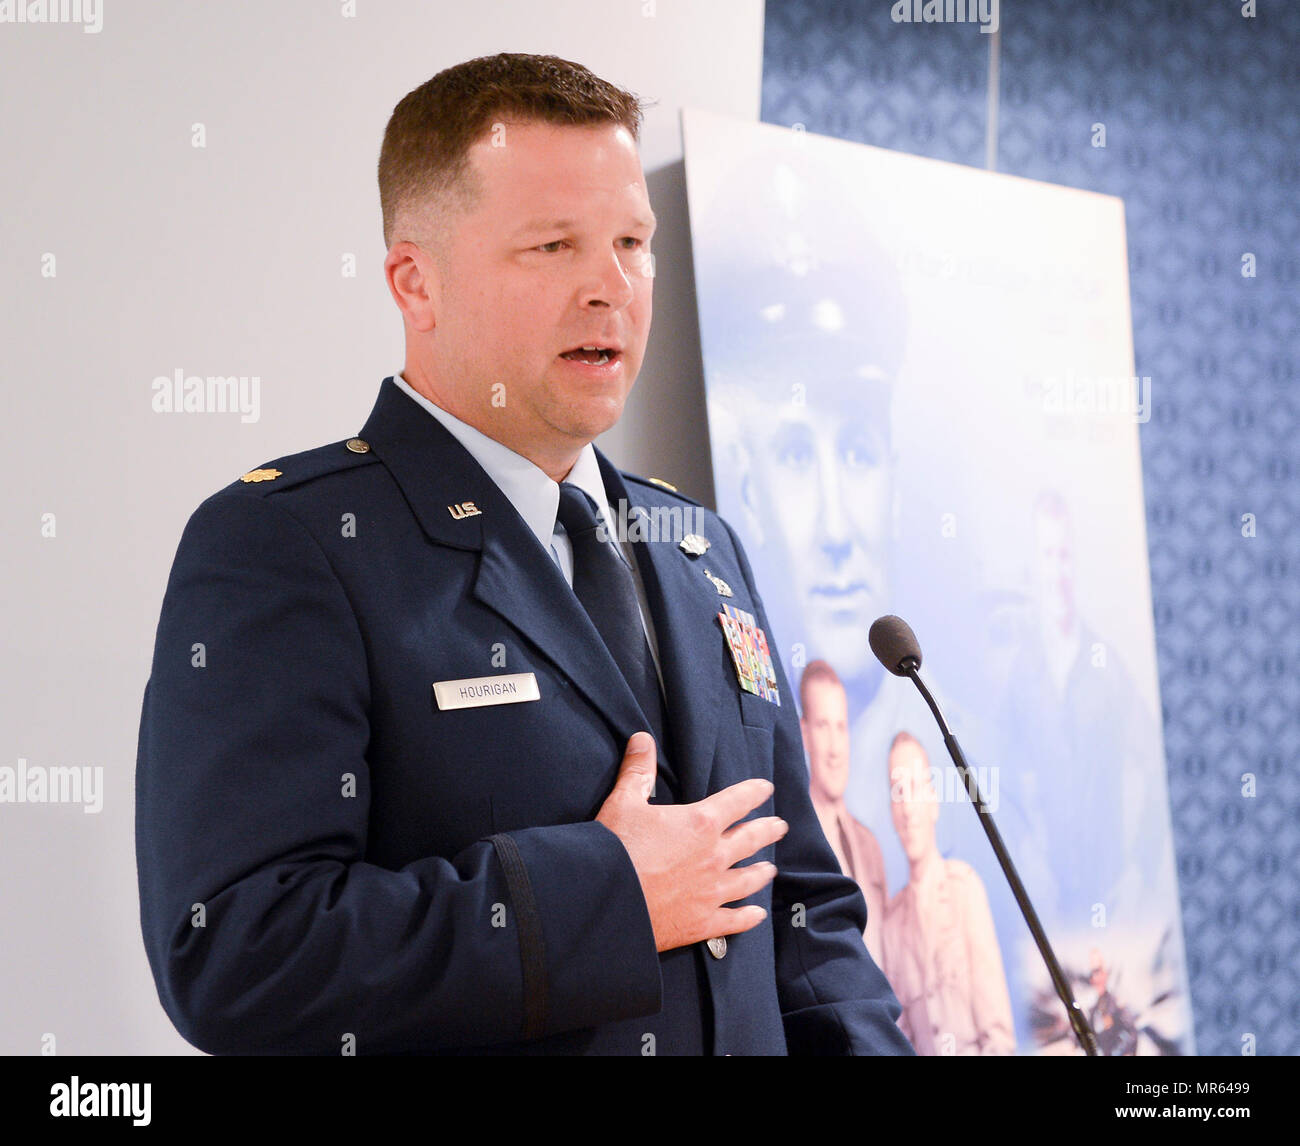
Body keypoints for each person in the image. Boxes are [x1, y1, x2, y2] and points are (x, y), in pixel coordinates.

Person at [134, 52, 912, 1056]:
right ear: (416, 284)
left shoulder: (697, 545)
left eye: (634, 242)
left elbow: (803, 909)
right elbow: (237, 953)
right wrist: (604, 898)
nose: (611, 286)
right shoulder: (289, 546)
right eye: (553, 245)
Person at [881, 732, 1014, 1055]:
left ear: (933, 801)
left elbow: (997, 1034)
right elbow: (901, 1038)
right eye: (898, 793)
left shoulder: (964, 889)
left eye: (914, 789)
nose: (908, 810)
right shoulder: (891, 925)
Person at [800, 660, 887, 965]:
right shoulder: (796, 840)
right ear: (805, 733)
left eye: (841, 727)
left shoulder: (869, 846)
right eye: (824, 727)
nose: (835, 748)